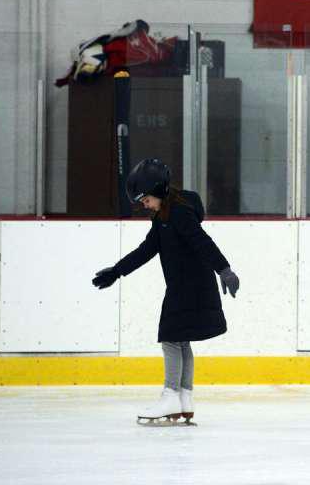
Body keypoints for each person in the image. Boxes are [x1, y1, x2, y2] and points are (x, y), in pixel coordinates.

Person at [91, 158, 240, 426]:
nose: (144, 205)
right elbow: (147, 250)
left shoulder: (180, 213)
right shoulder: (164, 215)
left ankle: (171, 394)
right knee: (180, 340)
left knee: (171, 338)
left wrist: (224, 269)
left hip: (190, 287)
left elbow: (202, 241)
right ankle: (184, 398)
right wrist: (116, 271)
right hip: (189, 286)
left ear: (158, 190)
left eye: (146, 199)